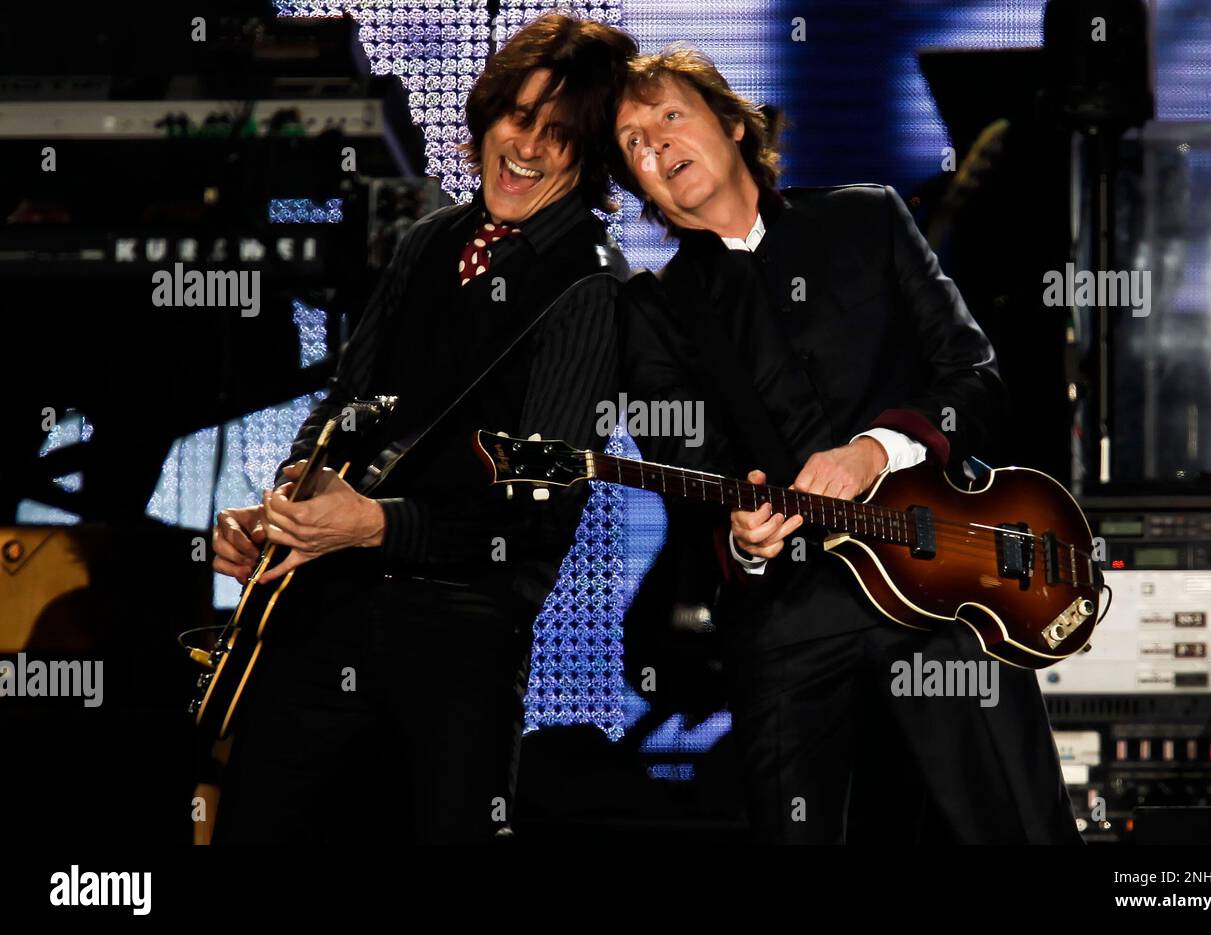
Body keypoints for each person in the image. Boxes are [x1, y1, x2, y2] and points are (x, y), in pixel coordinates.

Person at [613, 46, 1081, 844]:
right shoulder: (651, 312)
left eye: (668, 117)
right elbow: (687, 467)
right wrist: (744, 536)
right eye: (632, 145)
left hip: (947, 591)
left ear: (732, 124)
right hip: (790, 618)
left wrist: (878, 449)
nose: (654, 146)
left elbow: (975, 379)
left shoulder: (869, 216)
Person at [209, 14, 637, 843]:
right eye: (518, 117)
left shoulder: (590, 285)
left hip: (453, 647)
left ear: (587, 158)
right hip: (321, 610)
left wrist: (375, 523)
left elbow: (537, 510)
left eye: (560, 134)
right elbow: (341, 408)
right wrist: (288, 508)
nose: (528, 148)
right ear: (487, 116)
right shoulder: (426, 242)